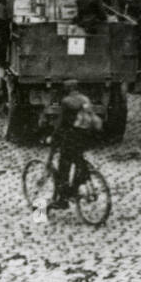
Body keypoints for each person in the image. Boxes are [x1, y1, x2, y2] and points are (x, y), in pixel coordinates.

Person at [50, 80, 94, 209]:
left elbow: (61, 124)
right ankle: (76, 186)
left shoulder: (67, 102)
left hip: (73, 137)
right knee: (78, 159)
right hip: (86, 137)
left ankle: (62, 200)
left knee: (64, 164)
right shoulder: (85, 99)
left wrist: (53, 137)